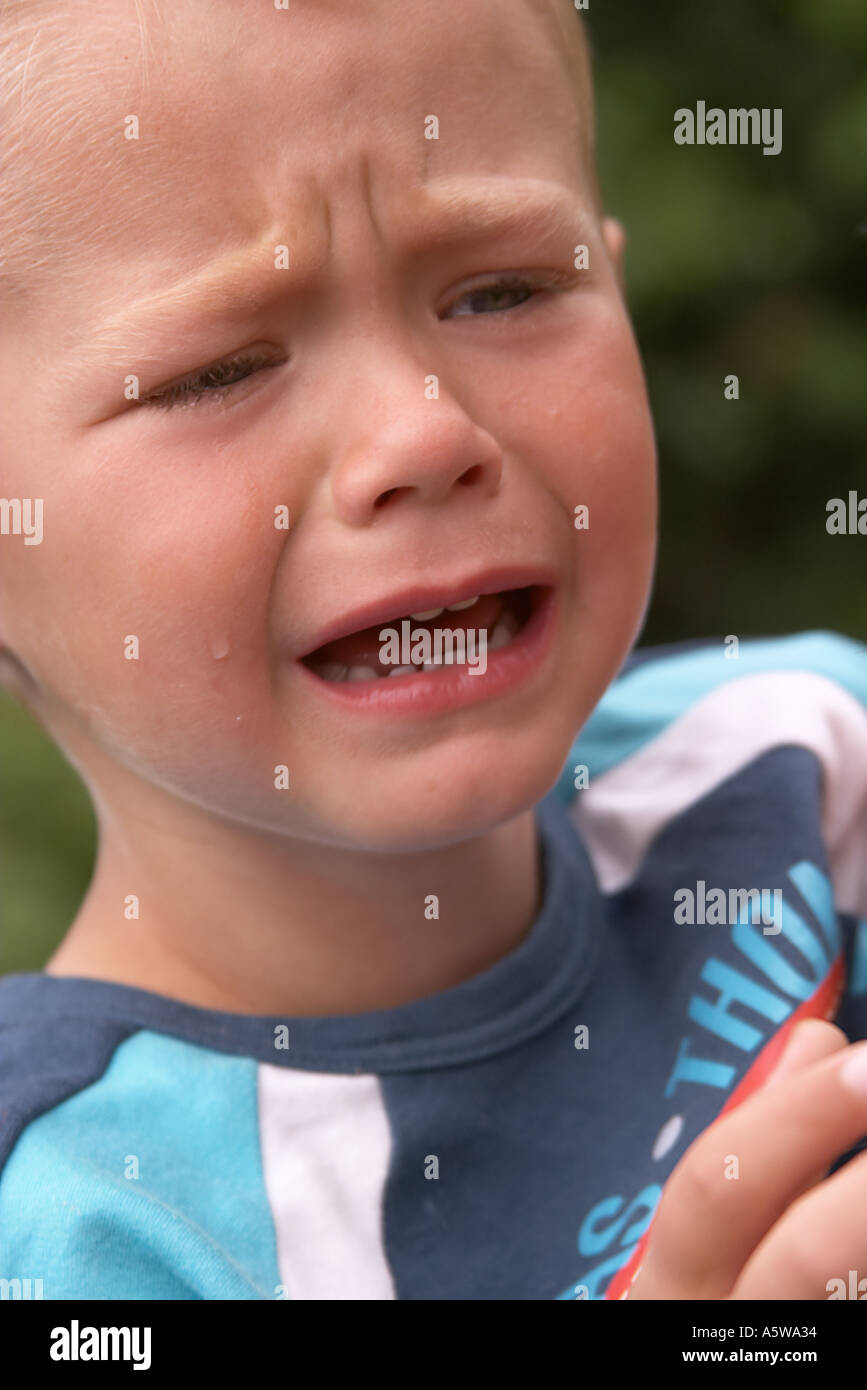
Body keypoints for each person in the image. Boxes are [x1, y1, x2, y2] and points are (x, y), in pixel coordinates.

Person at [0, 0, 865, 1301]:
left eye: (504, 290)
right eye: (220, 370)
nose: (422, 432)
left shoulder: (805, 757)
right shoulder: (80, 1236)